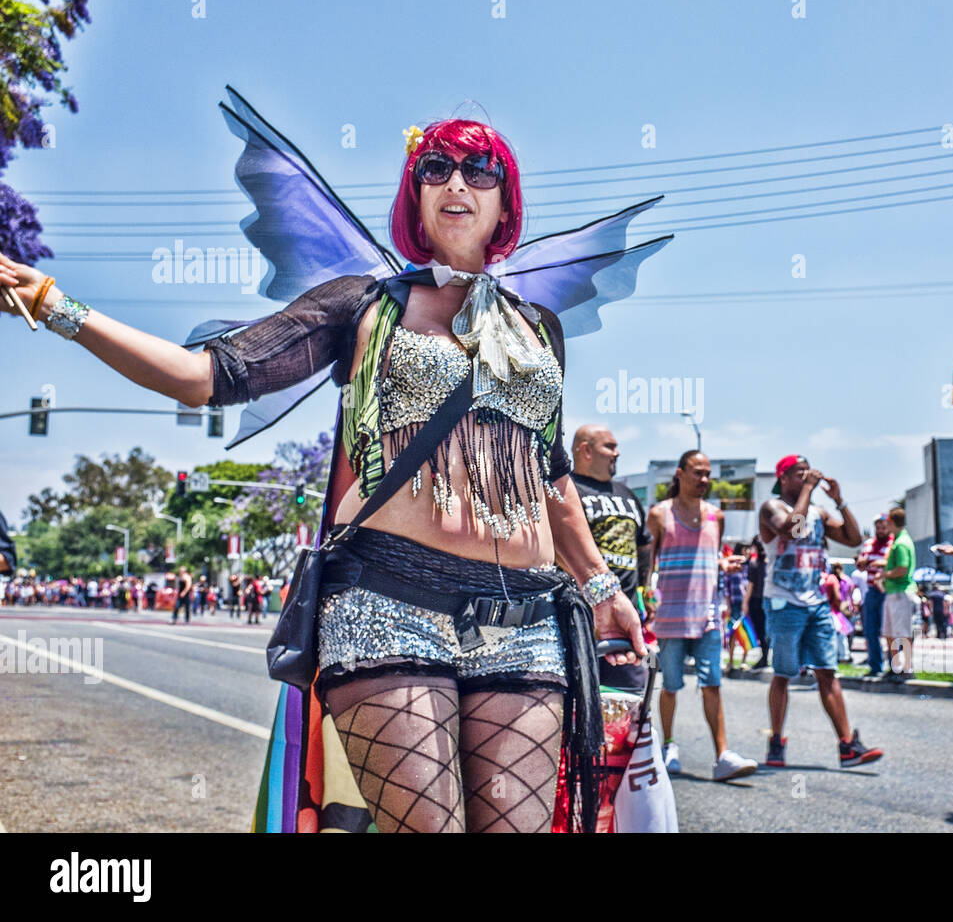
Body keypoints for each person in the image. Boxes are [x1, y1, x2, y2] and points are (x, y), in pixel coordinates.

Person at [0, 113, 649, 834]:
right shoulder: (363, 306)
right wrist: (56, 306)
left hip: (524, 617)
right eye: (434, 168)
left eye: (478, 170)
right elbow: (201, 377)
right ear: (415, 196)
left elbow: (550, 475)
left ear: (505, 200)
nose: (455, 182)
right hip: (388, 605)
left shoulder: (537, 328)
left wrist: (600, 587)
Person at [759, 454, 881, 768]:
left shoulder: (818, 512)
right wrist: (808, 490)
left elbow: (854, 539)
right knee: (784, 673)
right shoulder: (772, 508)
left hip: (815, 603)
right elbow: (792, 530)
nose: (807, 477)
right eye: (799, 474)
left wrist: (840, 501)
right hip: (784, 602)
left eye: (808, 473)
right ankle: (776, 740)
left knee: (827, 671)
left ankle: (847, 745)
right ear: (783, 478)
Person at [648, 451, 757, 782]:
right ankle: (668, 746)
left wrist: (722, 565)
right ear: (680, 474)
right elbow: (647, 564)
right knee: (670, 685)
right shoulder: (658, 515)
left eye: (707, 474)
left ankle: (722, 755)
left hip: (708, 615)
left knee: (712, 684)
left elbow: (709, 555)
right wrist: (645, 599)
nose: (704, 479)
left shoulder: (716, 516)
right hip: (668, 617)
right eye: (698, 473)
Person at [569, 423, 653, 693]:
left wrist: (645, 590)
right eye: (610, 447)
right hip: (576, 617)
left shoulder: (626, 495)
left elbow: (644, 546)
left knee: (626, 702)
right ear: (586, 450)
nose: (617, 453)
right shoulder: (567, 490)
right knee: (577, 704)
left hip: (623, 617)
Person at [880, 507, 918, 680]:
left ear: (892, 522)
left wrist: (884, 574)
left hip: (900, 592)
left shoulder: (901, 543)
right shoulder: (901, 540)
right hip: (895, 592)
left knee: (901, 633)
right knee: (892, 633)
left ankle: (906, 668)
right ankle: (897, 667)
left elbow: (902, 569)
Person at [852, 515, 892, 673]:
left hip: (887, 590)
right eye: (878, 527)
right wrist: (862, 563)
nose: (880, 530)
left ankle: (894, 666)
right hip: (871, 590)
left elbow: (889, 562)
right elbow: (861, 564)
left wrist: (871, 562)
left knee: (889, 630)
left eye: (883, 527)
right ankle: (875, 665)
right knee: (869, 629)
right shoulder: (868, 544)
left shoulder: (892, 543)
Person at [743, 538, 770, 669]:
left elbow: (750, 585)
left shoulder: (754, 564)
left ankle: (764, 658)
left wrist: (745, 602)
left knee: (760, 631)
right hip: (768, 601)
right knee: (765, 630)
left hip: (756, 601)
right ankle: (764, 657)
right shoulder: (769, 564)